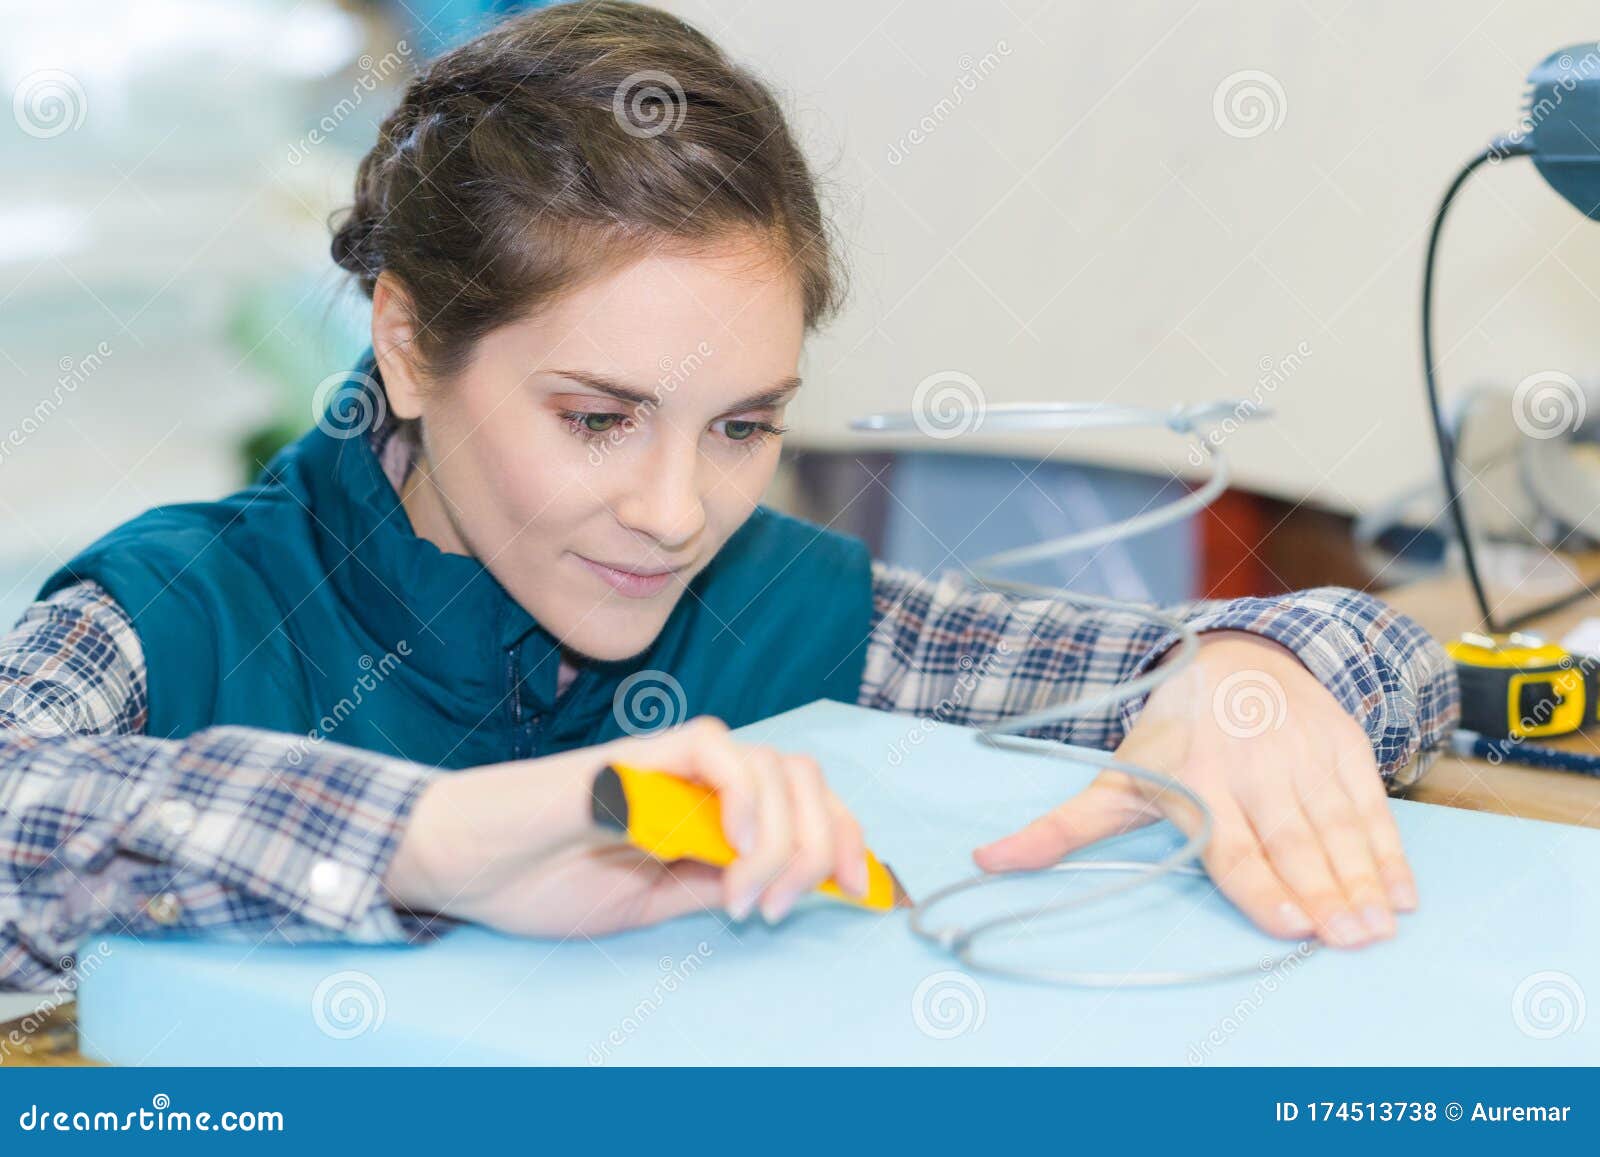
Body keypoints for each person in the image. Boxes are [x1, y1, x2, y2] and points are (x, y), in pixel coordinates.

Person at [0, 0, 1456, 992]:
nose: (677, 511)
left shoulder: (772, 601)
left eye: (745, 423)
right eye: (595, 418)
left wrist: (1254, 674)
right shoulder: (189, 613)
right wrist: (449, 839)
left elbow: (1397, 664)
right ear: (407, 342)